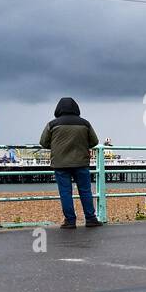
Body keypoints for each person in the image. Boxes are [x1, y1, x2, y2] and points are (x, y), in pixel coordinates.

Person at [39, 97, 102, 228]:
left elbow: (43, 143)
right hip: (81, 162)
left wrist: (57, 145)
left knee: (66, 192)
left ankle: (70, 221)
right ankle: (90, 219)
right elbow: (94, 142)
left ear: (58, 109)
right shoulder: (85, 124)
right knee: (85, 191)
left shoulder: (52, 124)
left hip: (61, 164)